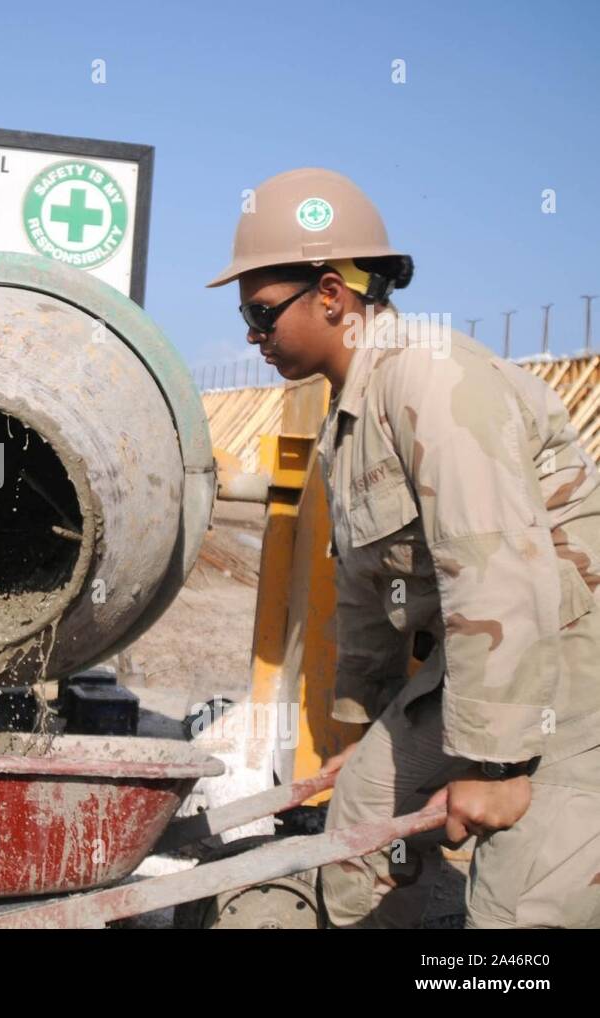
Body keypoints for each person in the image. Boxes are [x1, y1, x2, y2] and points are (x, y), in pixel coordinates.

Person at [208, 167, 600, 928]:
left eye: (261, 314)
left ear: (330, 294)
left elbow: (498, 572)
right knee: (360, 828)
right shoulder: (348, 421)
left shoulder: (432, 378)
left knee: (519, 910)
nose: (253, 337)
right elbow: (366, 595)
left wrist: (500, 767)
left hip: (571, 658)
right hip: (496, 660)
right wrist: (369, 732)